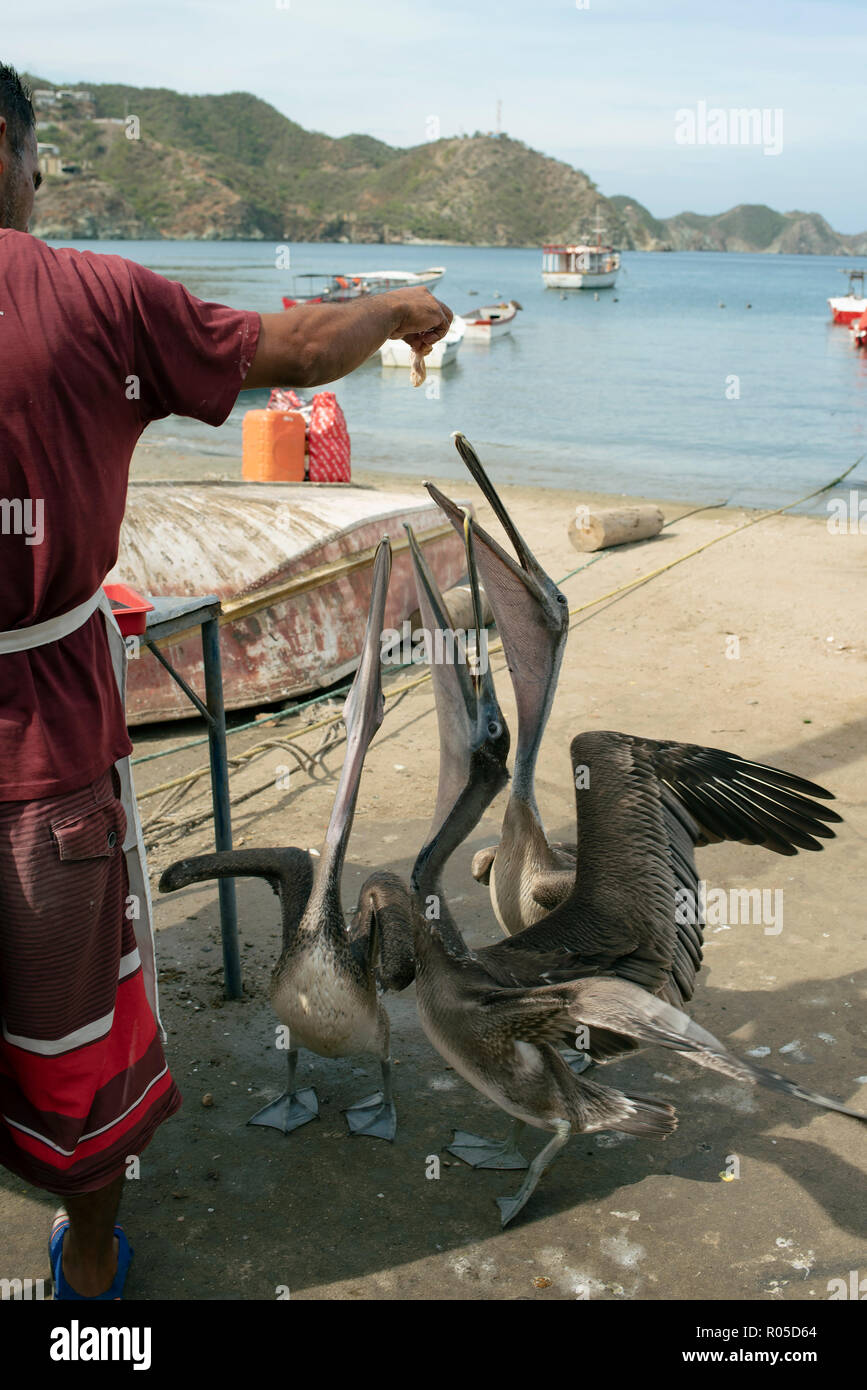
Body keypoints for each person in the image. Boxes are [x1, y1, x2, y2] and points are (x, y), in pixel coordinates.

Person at [0, 63, 452, 1299]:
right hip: (45, 747)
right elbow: (294, 347)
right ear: (10, 151)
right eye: (38, 161)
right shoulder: (92, 299)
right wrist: (399, 307)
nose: (41, 182)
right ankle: (92, 1266)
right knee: (76, 1030)